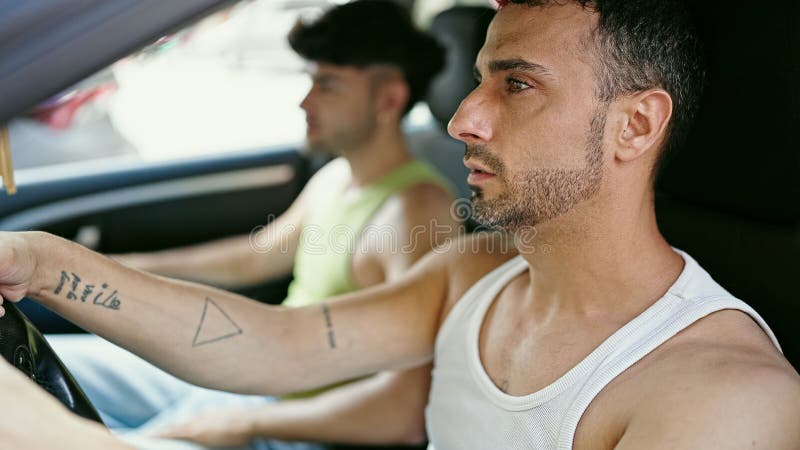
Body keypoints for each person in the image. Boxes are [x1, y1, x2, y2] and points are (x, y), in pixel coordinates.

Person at [1, 0, 799, 449]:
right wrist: (40, 263)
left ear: (635, 126)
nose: (461, 120)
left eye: (517, 86)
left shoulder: (725, 401)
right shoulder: (474, 275)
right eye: (480, 79)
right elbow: (272, 345)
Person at [41, 1, 457, 449]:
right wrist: (117, 266)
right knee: (45, 362)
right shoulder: (338, 178)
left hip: (304, 428)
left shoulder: (416, 213)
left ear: (389, 98)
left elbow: (403, 409)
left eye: (327, 85)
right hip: (256, 378)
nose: (305, 101)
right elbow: (251, 258)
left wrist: (246, 423)